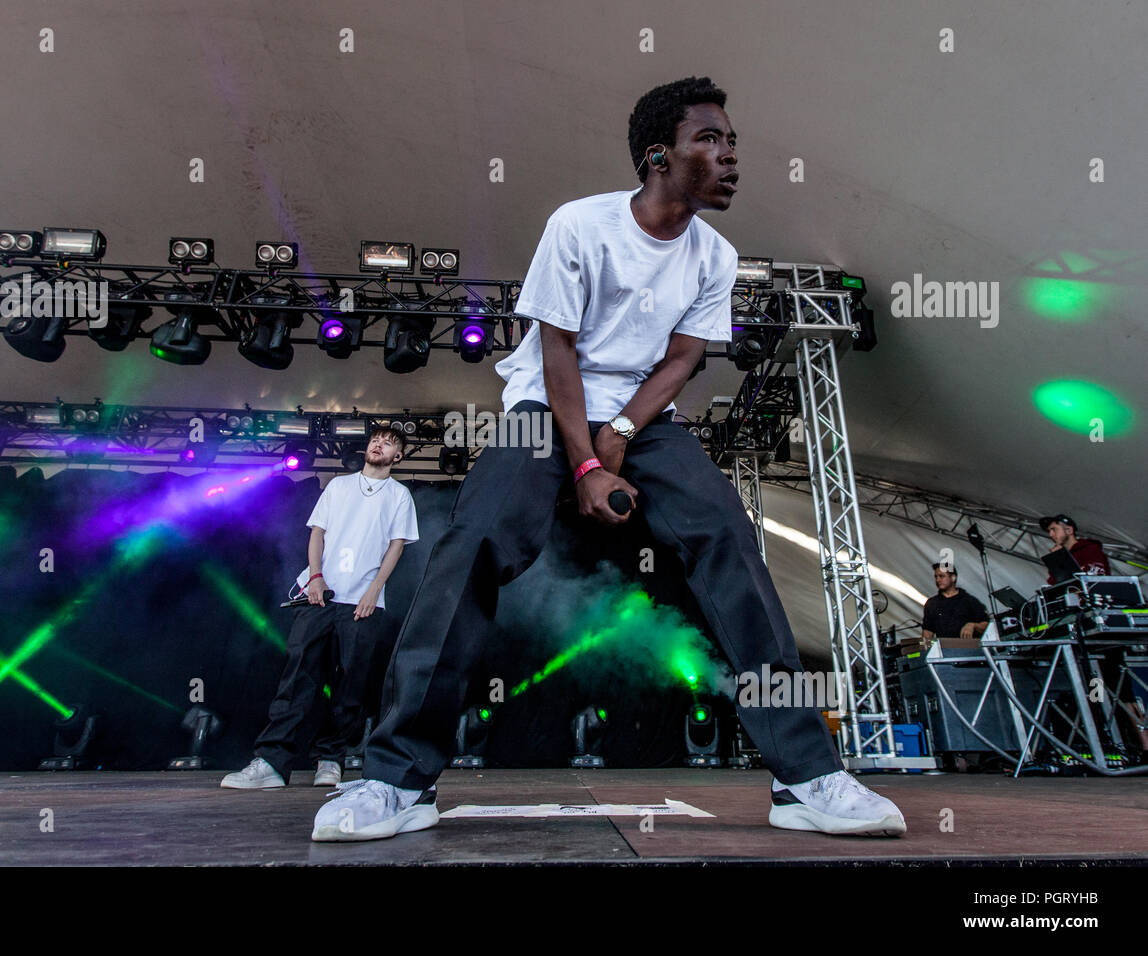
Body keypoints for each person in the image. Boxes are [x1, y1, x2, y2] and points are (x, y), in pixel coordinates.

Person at [312, 77, 906, 841]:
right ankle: (398, 780)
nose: (730, 157)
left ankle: (807, 776)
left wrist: (621, 434)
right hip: (544, 403)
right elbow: (557, 348)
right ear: (660, 156)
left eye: (733, 145)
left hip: (643, 415)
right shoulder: (579, 226)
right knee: (477, 540)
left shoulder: (715, 257)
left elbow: (683, 360)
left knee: (727, 536)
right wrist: (587, 465)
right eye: (711, 141)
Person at [221, 428, 418, 790]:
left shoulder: (399, 496)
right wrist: (315, 578)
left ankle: (331, 758)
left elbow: (396, 546)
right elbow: (317, 533)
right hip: (320, 595)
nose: (378, 445)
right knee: (297, 677)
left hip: (364, 601)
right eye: (376, 439)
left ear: (398, 457)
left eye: (388, 442)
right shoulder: (339, 486)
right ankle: (271, 762)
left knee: (351, 684)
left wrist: (374, 591)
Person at [920, 563, 989, 643]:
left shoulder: (969, 600)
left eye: (941, 576)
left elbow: (987, 625)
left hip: (968, 650)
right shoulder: (932, 603)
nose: (938, 580)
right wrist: (924, 651)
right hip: (944, 651)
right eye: (936, 577)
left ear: (953, 578)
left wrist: (973, 625)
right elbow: (927, 632)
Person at [1041, 514, 1110, 584]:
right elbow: (1053, 583)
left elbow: (1094, 578)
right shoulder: (1060, 555)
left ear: (1069, 530)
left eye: (1054, 529)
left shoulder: (1090, 549)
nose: (1050, 534)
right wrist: (1058, 558)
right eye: (1049, 531)